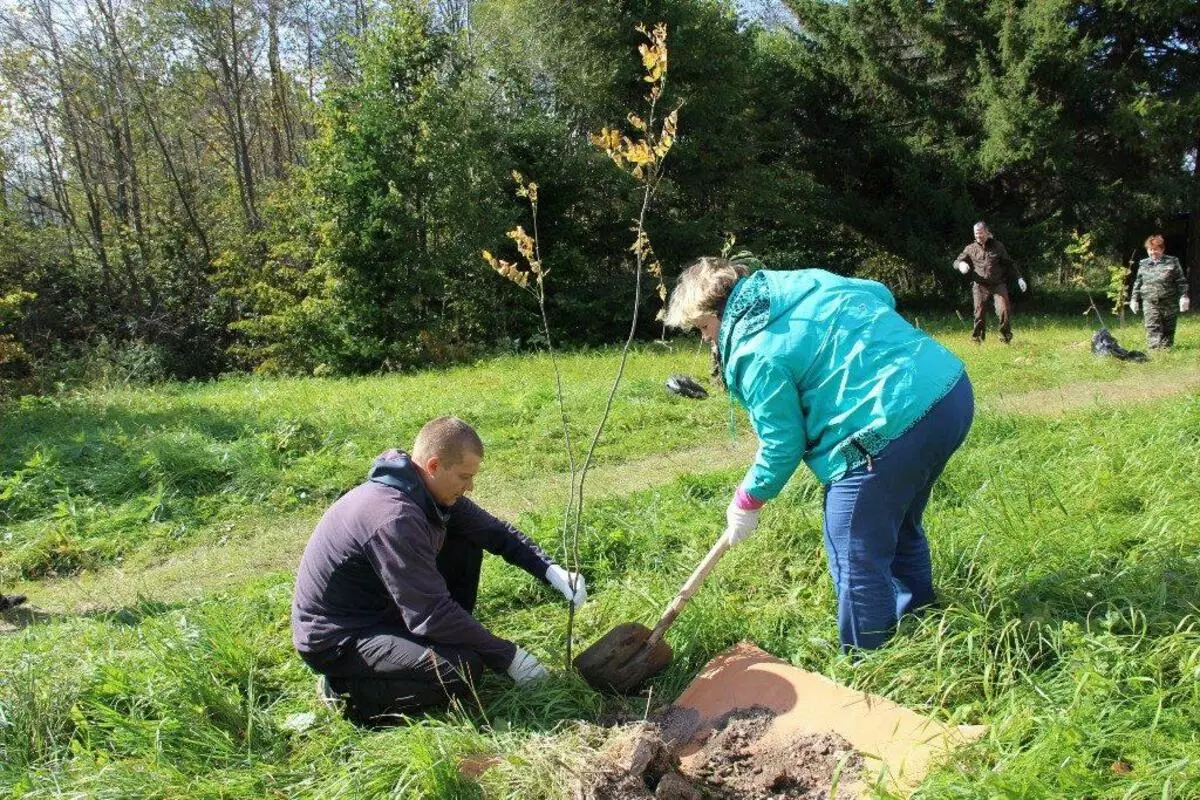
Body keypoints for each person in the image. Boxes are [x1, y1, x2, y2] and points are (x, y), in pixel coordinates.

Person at [664, 258, 974, 652]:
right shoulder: (800, 282)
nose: (707, 340)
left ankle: (870, 663)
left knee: (853, 551)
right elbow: (881, 294)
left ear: (719, 310)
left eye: (704, 328)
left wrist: (747, 501)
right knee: (896, 524)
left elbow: (782, 443)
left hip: (887, 428)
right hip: (947, 392)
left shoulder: (752, 350)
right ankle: (922, 623)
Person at [291, 416, 586, 725]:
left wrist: (552, 570)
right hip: (339, 638)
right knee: (462, 670)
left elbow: (495, 533)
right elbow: (430, 613)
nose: (469, 487)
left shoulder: (427, 493)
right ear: (433, 466)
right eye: (463, 476)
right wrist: (508, 656)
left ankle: (443, 641)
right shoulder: (394, 518)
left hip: (383, 609)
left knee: (467, 541)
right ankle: (347, 692)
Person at [953, 221, 1027, 343]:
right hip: (980, 286)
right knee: (979, 313)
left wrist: (1019, 278)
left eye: (980, 233)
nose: (978, 237)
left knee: (1004, 310)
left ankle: (1005, 338)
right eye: (976, 234)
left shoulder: (998, 246)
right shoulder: (970, 248)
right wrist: (961, 264)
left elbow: (1009, 264)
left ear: (987, 232)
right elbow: (956, 262)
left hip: (998, 285)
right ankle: (977, 339)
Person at [1130, 234, 1189, 349]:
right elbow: (1138, 282)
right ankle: (1154, 351)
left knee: (1168, 328)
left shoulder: (1172, 261)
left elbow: (1181, 281)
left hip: (1169, 301)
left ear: (1162, 249)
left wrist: (1184, 296)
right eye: (1150, 250)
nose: (1153, 252)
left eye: (1155, 249)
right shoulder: (1143, 263)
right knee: (1152, 327)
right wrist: (1134, 299)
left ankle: (1166, 351)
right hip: (1150, 301)